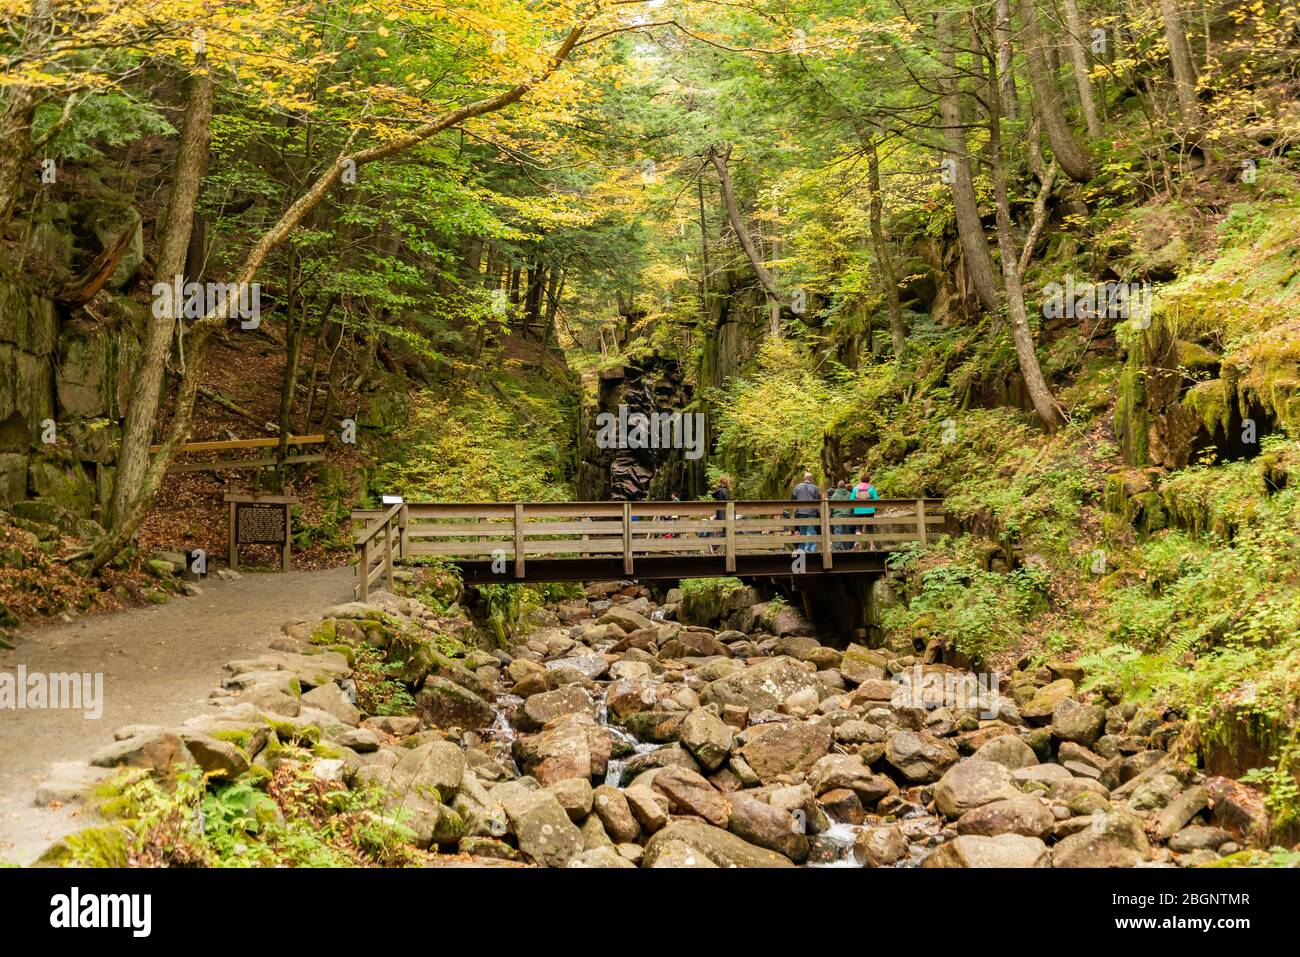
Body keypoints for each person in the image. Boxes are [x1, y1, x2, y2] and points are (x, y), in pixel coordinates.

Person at [790, 471, 821, 553]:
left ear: (804, 478)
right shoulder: (815, 488)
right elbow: (819, 500)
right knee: (810, 531)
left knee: (803, 531)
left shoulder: (797, 487)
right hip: (811, 512)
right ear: (811, 479)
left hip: (799, 512)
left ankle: (804, 549)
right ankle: (810, 550)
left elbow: (793, 499)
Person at [851, 474, 879, 548]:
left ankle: (858, 542)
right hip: (869, 510)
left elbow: (851, 499)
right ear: (869, 480)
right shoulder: (871, 488)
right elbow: (877, 499)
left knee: (858, 527)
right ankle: (872, 546)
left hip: (858, 510)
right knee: (870, 528)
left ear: (861, 480)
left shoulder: (855, 488)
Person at [709, 475, 731, 554]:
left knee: (725, 532)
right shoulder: (724, 491)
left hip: (720, 513)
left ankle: (725, 550)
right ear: (726, 482)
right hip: (725, 514)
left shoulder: (718, 491)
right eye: (728, 481)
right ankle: (713, 546)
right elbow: (728, 503)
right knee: (726, 532)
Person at [829, 479, 853, 551]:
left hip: (837, 517)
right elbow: (853, 505)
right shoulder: (849, 494)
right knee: (846, 532)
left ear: (838, 486)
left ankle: (838, 548)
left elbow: (831, 508)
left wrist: (829, 515)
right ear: (844, 486)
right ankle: (846, 548)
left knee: (838, 532)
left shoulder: (834, 495)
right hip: (847, 516)